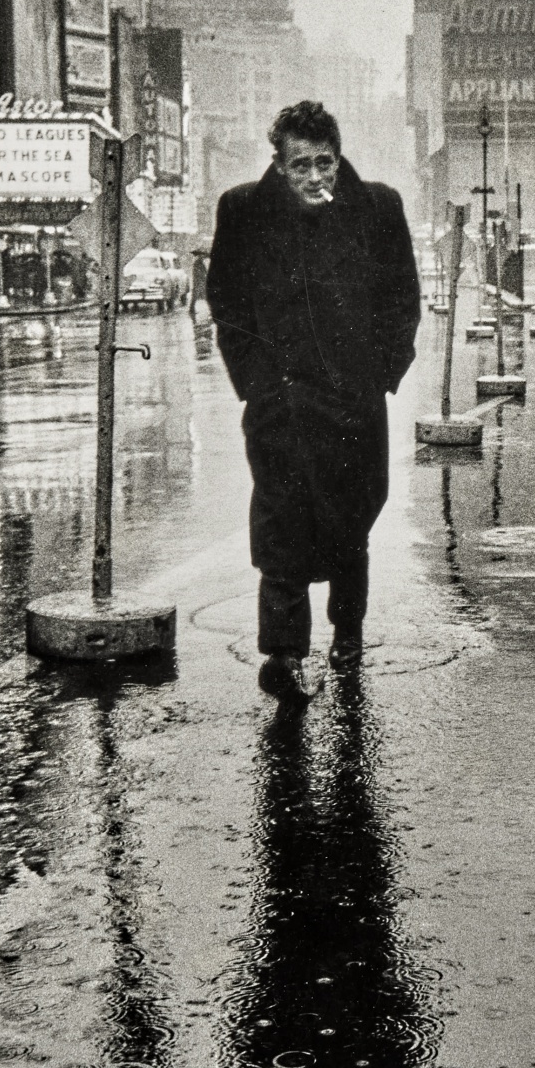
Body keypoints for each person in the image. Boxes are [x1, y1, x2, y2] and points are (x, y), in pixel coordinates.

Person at [206, 100, 420, 701]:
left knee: (352, 518)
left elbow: (402, 296)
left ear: (339, 157)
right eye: (299, 165)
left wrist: (381, 373)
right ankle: (284, 653)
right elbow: (226, 301)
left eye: (324, 162)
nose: (314, 176)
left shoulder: (377, 207)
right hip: (281, 404)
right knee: (281, 521)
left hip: (354, 403)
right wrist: (254, 380)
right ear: (279, 165)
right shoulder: (243, 210)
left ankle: (347, 633)